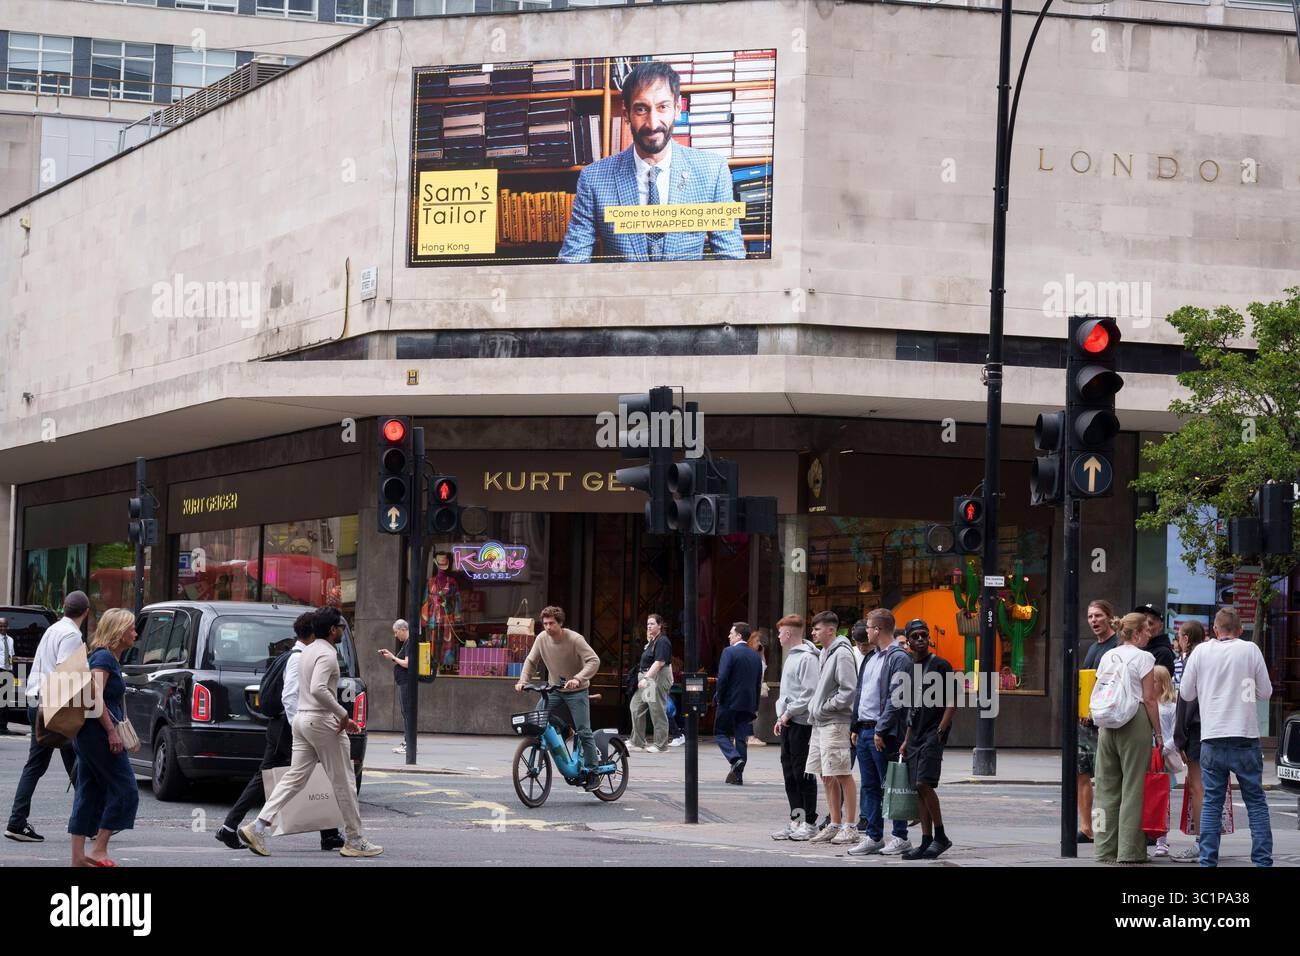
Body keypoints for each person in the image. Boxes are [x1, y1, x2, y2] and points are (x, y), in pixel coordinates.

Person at [558, 61, 744, 263]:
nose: (653, 123)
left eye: (663, 107)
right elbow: (572, 264)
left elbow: (731, 260)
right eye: (641, 109)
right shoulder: (593, 179)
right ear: (626, 113)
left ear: (677, 108)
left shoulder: (713, 171)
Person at [240, 607, 381, 858]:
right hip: (321, 721)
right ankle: (355, 840)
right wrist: (343, 714)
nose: (343, 631)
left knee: (295, 778)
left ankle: (257, 827)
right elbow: (318, 689)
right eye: (342, 627)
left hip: (302, 721)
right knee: (345, 783)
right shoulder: (327, 654)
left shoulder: (307, 651)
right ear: (332, 630)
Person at [216, 613, 343, 851]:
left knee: (298, 773)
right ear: (313, 634)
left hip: (284, 724)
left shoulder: (293, 655)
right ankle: (329, 834)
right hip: (289, 725)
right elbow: (290, 697)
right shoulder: (298, 658)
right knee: (308, 772)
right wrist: (299, 730)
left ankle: (230, 827)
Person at [1179, 607, 1273, 867]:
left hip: (1212, 736)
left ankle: (1208, 861)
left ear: (1215, 630)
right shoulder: (1250, 650)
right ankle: (1262, 862)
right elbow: (1265, 691)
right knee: (1255, 802)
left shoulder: (1201, 652)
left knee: (1212, 802)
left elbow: (1186, 693)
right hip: (1245, 735)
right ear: (1241, 630)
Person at [4, 591, 86, 843]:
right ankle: (18, 822)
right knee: (69, 760)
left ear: (63, 608)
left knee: (67, 760)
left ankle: (88, 819)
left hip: (37, 700)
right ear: (87, 611)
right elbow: (65, 672)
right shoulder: (72, 634)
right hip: (53, 705)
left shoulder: (53, 629)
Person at [68, 607, 140, 867]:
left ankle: (77, 858)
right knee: (127, 790)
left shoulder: (105, 658)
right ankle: (99, 848)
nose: (136, 632)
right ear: (119, 632)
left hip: (89, 733)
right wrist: (112, 731)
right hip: (97, 735)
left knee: (88, 792)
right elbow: (94, 697)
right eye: (131, 628)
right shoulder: (104, 658)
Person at [1092, 612, 1161, 865]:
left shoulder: (1108, 655)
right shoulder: (1145, 657)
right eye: (1146, 630)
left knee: (1105, 788)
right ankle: (1129, 851)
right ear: (1136, 633)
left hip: (1107, 722)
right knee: (1134, 787)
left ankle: (1103, 849)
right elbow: (1150, 698)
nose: (1150, 634)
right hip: (1134, 720)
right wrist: (1159, 733)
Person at [848, 609, 914, 856]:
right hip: (864, 730)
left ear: (877, 629)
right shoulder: (871, 657)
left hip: (882, 732)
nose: (865, 631)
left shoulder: (899, 658)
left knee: (891, 785)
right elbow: (861, 692)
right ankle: (874, 836)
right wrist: (855, 726)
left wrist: (881, 729)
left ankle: (900, 836)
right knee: (869, 786)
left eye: (868, 627)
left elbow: (895, 698)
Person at [515, 606, 603, 788]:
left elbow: (594, 661)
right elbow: (531, 661)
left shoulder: (575, 639)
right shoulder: (541, 638)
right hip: (554, 688)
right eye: (545, 623)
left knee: (584, 730)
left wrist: (578, 679)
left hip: (577, 690)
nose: (547, 627)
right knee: (538, 718)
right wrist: (523, 680)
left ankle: (594, 772)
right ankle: (564, 729)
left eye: (551, 623)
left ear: (560, 623)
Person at [898, 619, 956, 859]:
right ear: (909, 641)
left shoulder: (942, 665)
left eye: (923, 635)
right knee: (917, 789)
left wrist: (940, 731)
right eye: (915, 636)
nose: (920, 639)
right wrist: (906, 739)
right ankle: (925, 840)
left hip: (933, 734)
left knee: (924, 783)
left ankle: (941, 836)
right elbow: (912, 709)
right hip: (915, 736)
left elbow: (953, 701)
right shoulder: (910, 668)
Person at [805, 611, 858, 846]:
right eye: (813, 629)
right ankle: (834, 823)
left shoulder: (843, 653)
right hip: (820, 722)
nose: (813, 632)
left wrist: (825, 707)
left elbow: (848, 690)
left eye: (817, 629)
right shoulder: (824, 652)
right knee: (825, 775)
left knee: (842, 772)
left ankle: (850, 826)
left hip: (835, 721)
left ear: (831, 630)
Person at [771, 614, 820, 841]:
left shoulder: (807, 658)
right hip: (789, 722)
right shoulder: (792, 656)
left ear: (788, 634)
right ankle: (797, 819)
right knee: (790, 774)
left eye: (781, 632)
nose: (778, 636)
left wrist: (787, 714)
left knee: (803, 774)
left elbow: (808, 694)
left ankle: (809, 822)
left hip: (801, 724)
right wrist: (782, 716)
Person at [1076, 598, 1118, 844]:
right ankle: (1086, 827)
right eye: (1091, 616)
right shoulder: (1094, 648)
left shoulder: (1116, 647)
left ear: (1109, 617)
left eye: (1098, 616)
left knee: (1105, 778)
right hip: (1086, 722)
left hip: (1105, 722)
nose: (1094, 621)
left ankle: (1104, 829)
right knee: (1082, 774)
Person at [1171, 621, 1207, 862]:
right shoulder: (1208, 659)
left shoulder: (1189, 661)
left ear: (1185, 638)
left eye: (1179, 636)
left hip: (1195, 728)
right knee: (1208, 787)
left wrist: (1179, 738)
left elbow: (1185, 701)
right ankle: (1207, 842)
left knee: (1197, 787)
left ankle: (1201, 843)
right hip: (1214, 727)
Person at [714, 622, 763, 785]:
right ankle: (738, 776)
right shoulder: (755, 655)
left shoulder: (729, 652)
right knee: (741, 739)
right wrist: (755, 706)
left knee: (720, 733)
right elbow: (758, 683)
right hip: (748, 703)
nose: (729, 636)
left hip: (729, 701)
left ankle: (734, 758)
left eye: (731, 633)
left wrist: (718, 696)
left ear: (739, 636)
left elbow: (723, 678)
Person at [628, 613, 673, 753]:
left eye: (652, 623)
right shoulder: (653, 641)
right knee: (636, 707)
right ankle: (637, 741)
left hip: (656, 677)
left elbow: (659, 662)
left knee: (657, 710)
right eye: (648, 624)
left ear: (660, 625)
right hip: (648, 677)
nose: (649, 626)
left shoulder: (663, 641)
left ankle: (661, 745)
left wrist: (646, 678)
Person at [1152, 665, 1179, 858]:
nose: (1150, 684)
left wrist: (1164, 749)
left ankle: (1162, 840)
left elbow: (1176, 734)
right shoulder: (1147, 703)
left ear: (1163, 683)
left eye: (1154, 681)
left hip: (1161, 757)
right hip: (1148, 754)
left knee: (1162, 801)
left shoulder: (1170, 706)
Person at [379, 619, 414, 755]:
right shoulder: (407, 642)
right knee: (406, 713)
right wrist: (392, 656)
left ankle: (408, 744)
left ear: (403, 629)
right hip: (404, 682)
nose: (395, 635)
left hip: (406, 683)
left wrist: (393, 657)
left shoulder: (410, 642)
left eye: (396, 632)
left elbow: (407, 663)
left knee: (407, 713)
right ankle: (407, 742)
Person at [1135, 603, 1176, 673]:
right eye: (1142, 622)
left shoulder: (1163, 653)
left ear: (1160, 626)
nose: (1146, 627)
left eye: (1150, 623)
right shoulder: (1135, 646)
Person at [745, 631, 768, 748]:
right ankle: (750, 737)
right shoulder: (750, 656)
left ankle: (746, 735)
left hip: (754, 688)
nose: (759, 644)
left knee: (751, 713)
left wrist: (762, 653)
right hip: (750, 689)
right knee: (750, 713)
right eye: (757, 641)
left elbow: (763, 668)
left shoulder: (756, 656)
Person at [0, 617, 15, 733]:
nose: (2, 628)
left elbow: (11, 656)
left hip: (8, 671)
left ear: (7, 627)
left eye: (4, 625)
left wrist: (11, 670)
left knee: (6, 700)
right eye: (0, 625)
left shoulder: (10, 640)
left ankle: (3, 726)